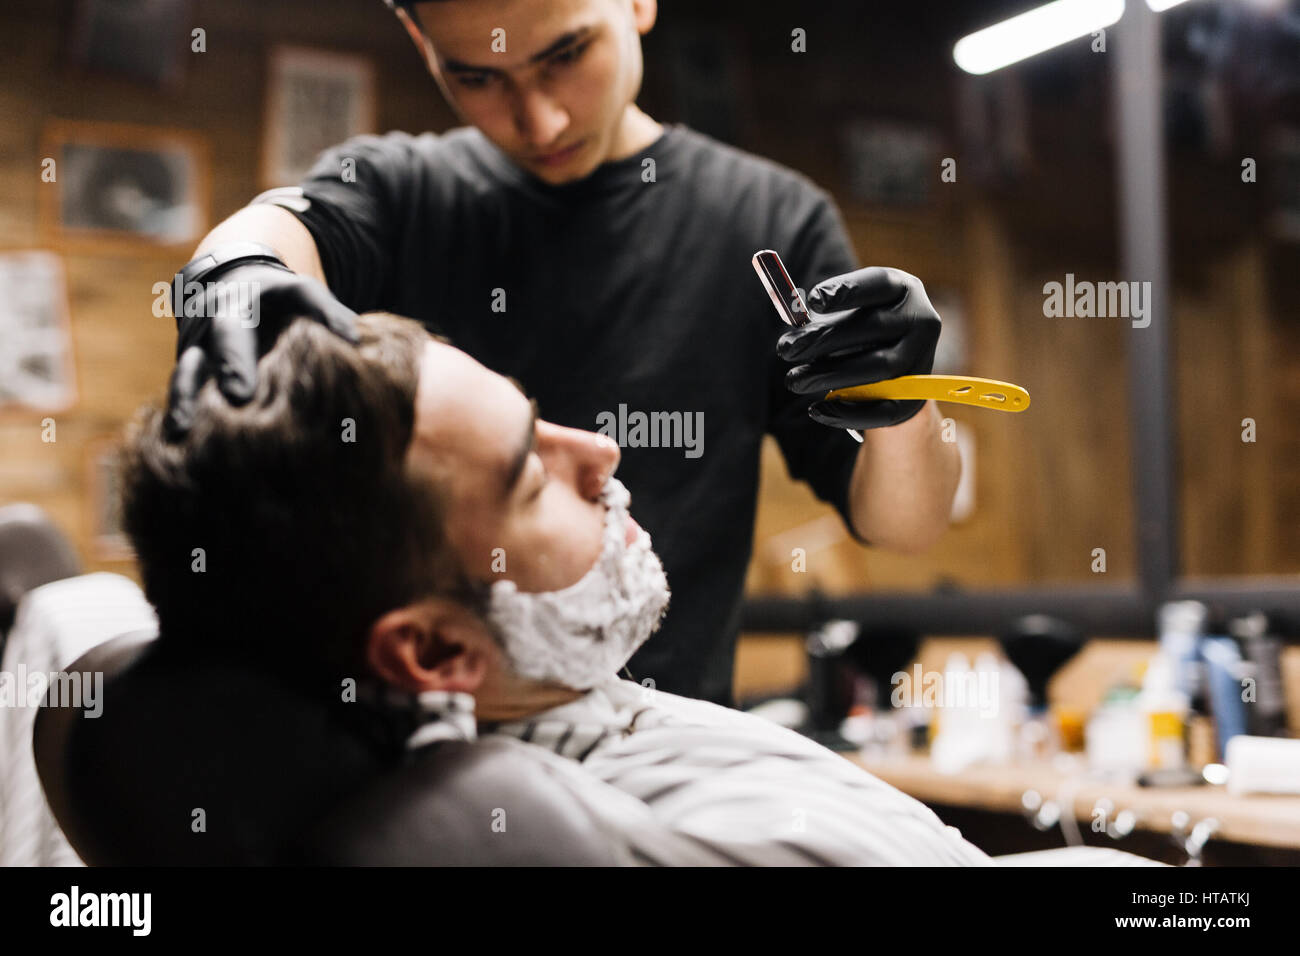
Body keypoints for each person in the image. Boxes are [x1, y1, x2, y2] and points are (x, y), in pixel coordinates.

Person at [162, 0, 960, 706]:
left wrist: (907, 403)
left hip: (664, 756)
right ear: (419, 38)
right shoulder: (402, 191)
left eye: (566, 55)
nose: (537, 120)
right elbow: (283, 227)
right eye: (475, 76)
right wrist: (236, 270)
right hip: (431, 749)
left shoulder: (768, 221)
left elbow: (903, 523)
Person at [122, 313, 988, 866]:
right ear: (436, 650)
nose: (599, 451)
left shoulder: (570, 716)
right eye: (528, 477)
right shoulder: (697, 834)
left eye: (538, 418)